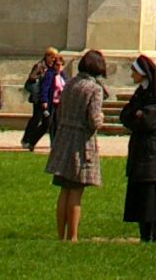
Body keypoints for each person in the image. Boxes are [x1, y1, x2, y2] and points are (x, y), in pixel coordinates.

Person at [44, 47, 109, 242]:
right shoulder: (94, 88)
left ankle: (60, 235)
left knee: (64, 188)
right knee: (76, 190)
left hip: (64, 137)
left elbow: (60, 111)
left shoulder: (70, 83)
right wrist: (101, 118)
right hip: (81, 141)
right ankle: (73, 236)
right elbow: (94, 120)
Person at [118, 54, 156, 245]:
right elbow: (125, 115)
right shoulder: (142, 92)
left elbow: (147, 122)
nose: (131, 74)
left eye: (134, 70)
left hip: (152, 151)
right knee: (140, 192)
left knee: (152, 193)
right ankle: (144, 234)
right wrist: (136, 115)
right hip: (140, 149)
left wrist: (138, 115)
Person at [20, 49, 64, 152]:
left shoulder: (54, 69)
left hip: (49, 98)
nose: (53, 60)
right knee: (37, 119)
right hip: (38, 97)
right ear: (47, 56)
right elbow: (32, 77)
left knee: (50, 122)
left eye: (55, 57)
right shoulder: (40, 65)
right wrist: (42, 76)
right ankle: (27, 139)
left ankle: (53, 142)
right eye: (52, 57)